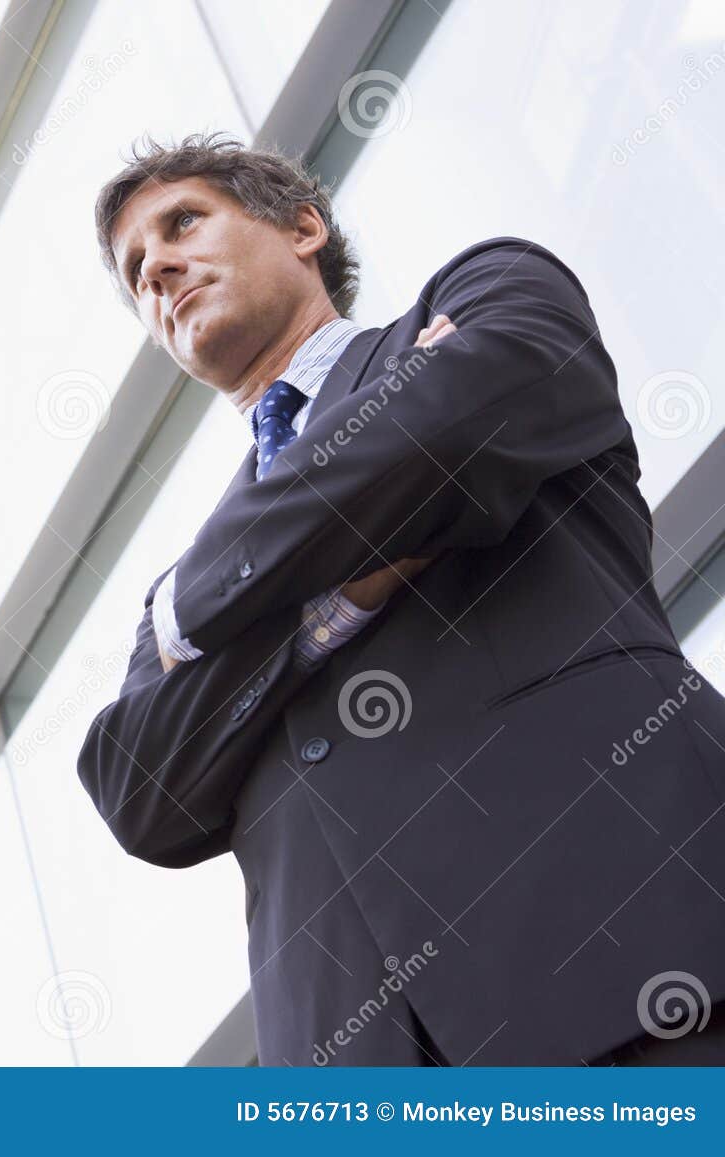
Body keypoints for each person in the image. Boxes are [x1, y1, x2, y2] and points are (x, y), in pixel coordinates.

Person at [77, 132, 725, 1065]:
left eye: (183, 224)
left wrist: (210, 600)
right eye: (137, 270)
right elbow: (138, 789)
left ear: (303, 227)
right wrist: (331, 603)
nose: (158, 270)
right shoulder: (170, 599)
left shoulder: (492, 290)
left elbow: (449, 431)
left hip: (627, 948)